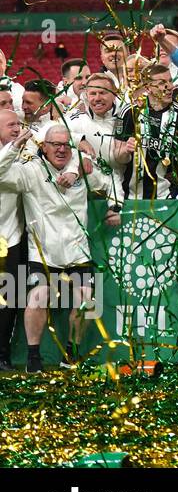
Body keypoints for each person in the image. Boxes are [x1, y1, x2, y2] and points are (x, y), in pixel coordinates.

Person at [0, 125, 118, 372]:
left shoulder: (83, 170)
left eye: (66, 144)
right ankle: (33, 357)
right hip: (43, 252)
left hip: (77, 251)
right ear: (44, 147)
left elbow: (112, 181)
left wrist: (114, 207)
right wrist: (14, 148)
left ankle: (71, 353)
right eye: (55, 145)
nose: (61, 149)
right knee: (38, 296)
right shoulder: (30, 172)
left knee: (88, 300)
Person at [116, 63, 178, 201]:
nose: (170, 87)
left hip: (167, 197)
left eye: (170, 81)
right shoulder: (129, 112)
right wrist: (125, 151)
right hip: (131, 197)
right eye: (162, 83)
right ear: (148, 87)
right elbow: (118, 159)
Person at [67, 72, 127, 207]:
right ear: (87, 96)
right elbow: (47, 133)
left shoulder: (127, 117)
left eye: (103, 93)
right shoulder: (77, 117)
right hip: (87, 195)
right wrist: (79, 140)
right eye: (93, 94)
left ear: (114, 94)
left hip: (124, 191)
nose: (97, 98)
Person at [0, 109, 24, 370]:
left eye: (18, 124)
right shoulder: (10, 154)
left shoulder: (23, 154)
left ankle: (2, 353)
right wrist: (13, 149)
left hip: (14, 238)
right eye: (10, 125)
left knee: (10, 301)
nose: (17, 129)